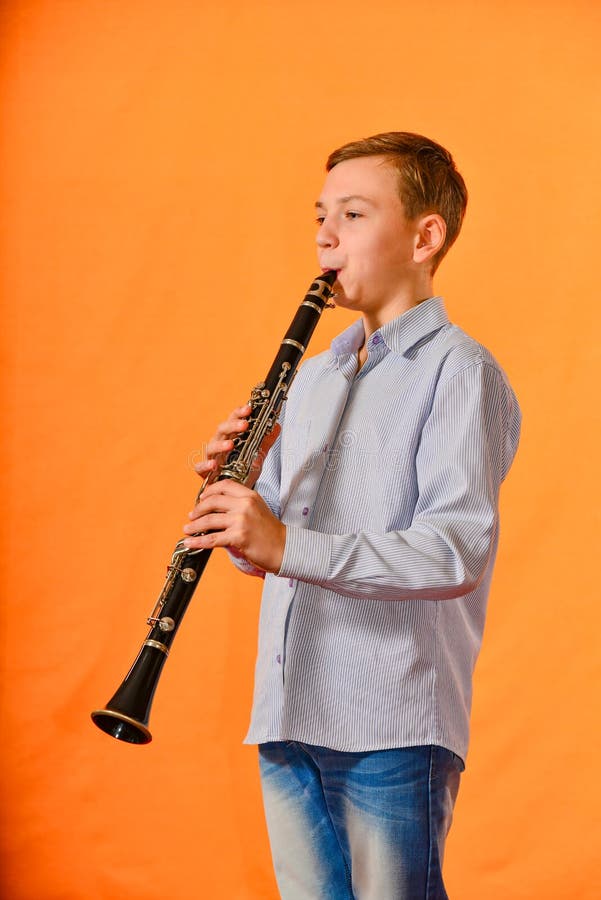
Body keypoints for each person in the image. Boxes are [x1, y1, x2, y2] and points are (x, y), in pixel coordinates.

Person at [183, 132, 521, 900]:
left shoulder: (459, 371)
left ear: (424, 237)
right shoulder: (311, 376)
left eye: (353, 214)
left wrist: (283, 541)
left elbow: (452, 551)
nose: (324, 236)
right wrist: (241, 509)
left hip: (388, 724)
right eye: (320, 216)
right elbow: (271, 549)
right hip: (285, 711)